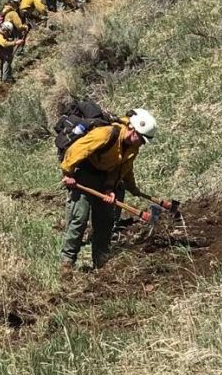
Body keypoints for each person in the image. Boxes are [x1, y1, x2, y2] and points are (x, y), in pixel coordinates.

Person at [58, 108, 158, 275]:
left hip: (103, 179)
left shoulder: (132, 148)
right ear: (133, 129)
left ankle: (101, 261)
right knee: (79, 219)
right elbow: (76, 150)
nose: (141, 143)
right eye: (140, 139)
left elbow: (121, 168)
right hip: (83, 174)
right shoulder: (105, 134)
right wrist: (67, 173)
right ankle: (66, 262)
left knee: (105, 221)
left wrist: (110, 188)